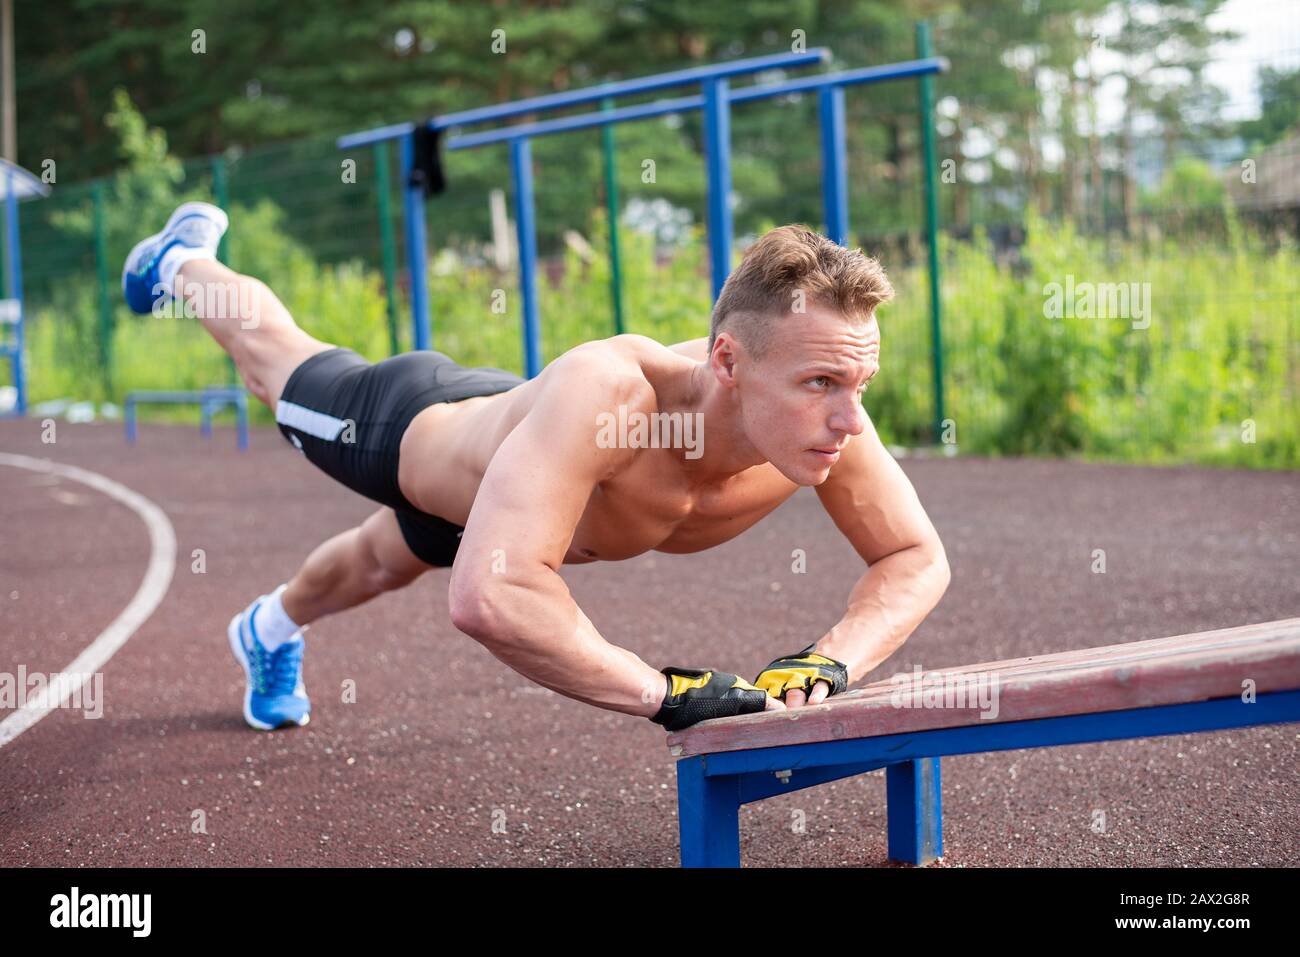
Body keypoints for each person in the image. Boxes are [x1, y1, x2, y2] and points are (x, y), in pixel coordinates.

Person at [122, 202, 950, 733]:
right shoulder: (615, 396)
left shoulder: (823, 424)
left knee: (380, 562)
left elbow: (914, 556)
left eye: (858, 382)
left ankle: (267, 627)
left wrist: (832, 660)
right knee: (279, 365)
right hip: (414, 430)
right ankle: (183, 261)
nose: (850, 415)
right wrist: (662, 692)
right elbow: (491, 596)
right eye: (821, 383)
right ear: (727, 361)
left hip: (520, 479)